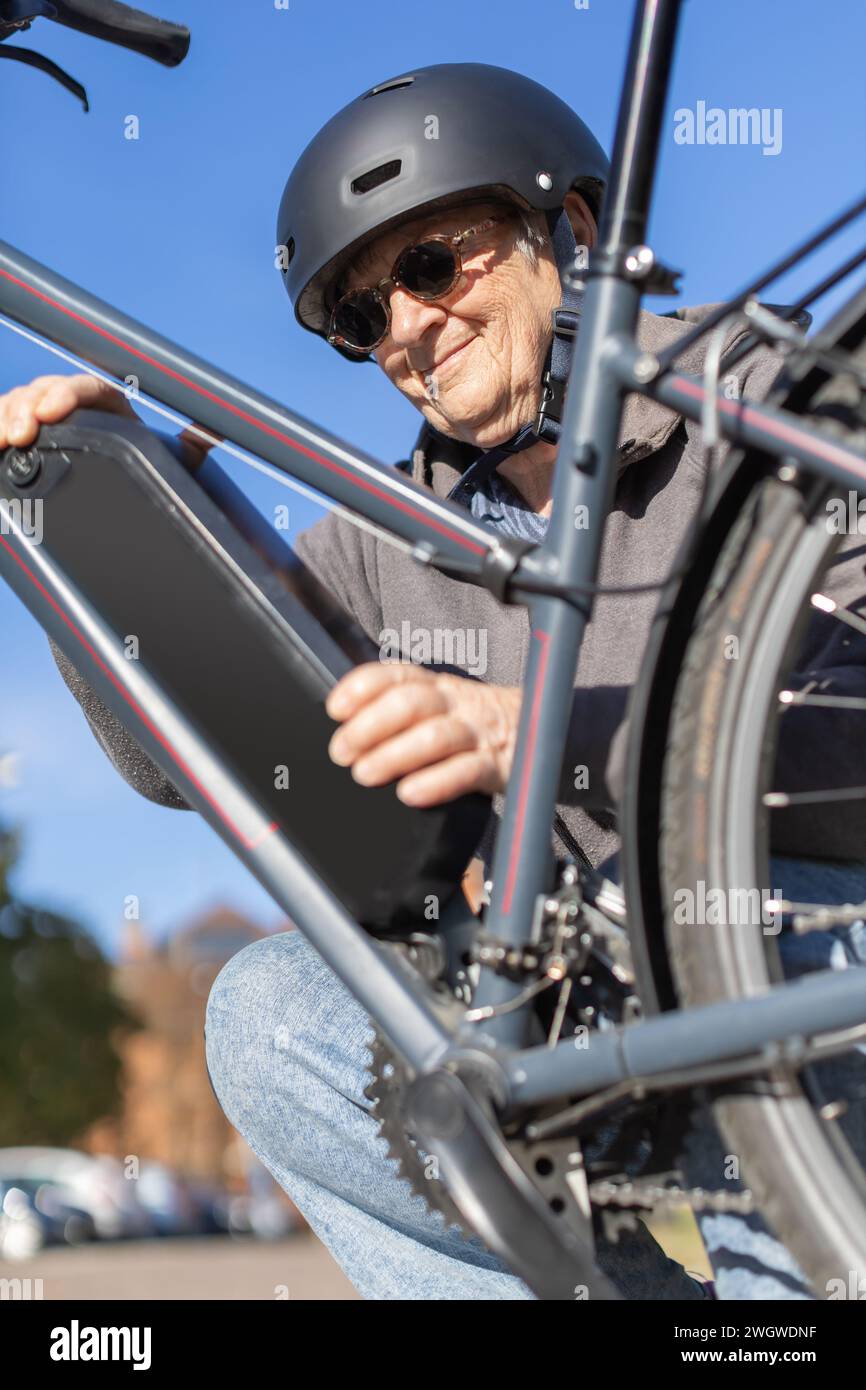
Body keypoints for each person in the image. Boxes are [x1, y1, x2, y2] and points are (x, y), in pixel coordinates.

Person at [3, 63, 864, 1300]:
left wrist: (535, 737)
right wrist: (107, 544)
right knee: (268, 1010)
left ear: (564, 232)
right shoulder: (377, 538)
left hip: (797, 953)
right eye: (362, 317)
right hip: (596, 999)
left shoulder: (767, 399)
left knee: (697, 909)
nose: (404, 328)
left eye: (430, 265)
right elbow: (176, 757)